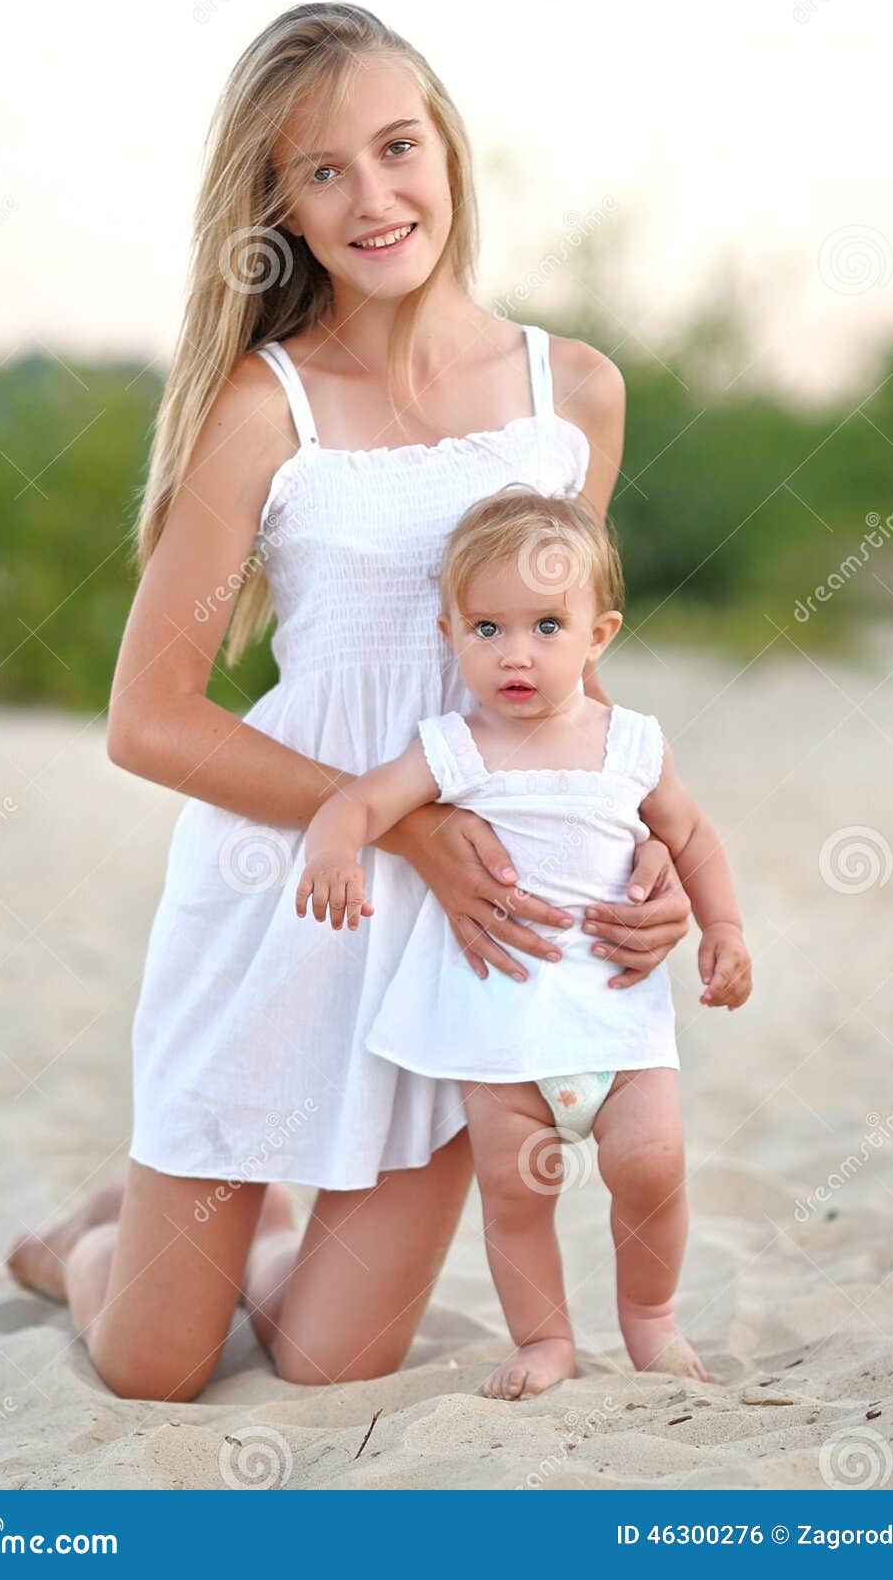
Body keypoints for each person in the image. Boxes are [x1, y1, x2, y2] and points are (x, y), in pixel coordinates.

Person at [7, 1, 692, 1403]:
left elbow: (552, 669)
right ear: (280, 207)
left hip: (461, 927)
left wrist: (654, 843)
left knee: (325, 1360)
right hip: (285, 884)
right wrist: (389, 826)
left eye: (396, 146)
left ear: (446, 147)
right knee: (152, 1364)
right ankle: (88, 1242)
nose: (373, 195)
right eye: (322, 170)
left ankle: (244, 1224)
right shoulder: (264, 407)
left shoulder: (574, 394)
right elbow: (149, 716)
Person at [296, 486, 752, 1399]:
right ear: (450, 634)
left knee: (650, 1163)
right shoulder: (454, 748)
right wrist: (334, 848)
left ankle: (649, 1317)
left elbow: (691, 835)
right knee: (513, 1189)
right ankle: (544, 1338)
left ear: (599, 634)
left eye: (547, 625)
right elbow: (359, 802)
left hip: (616, 1015)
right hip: (501, 1026)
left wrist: (723, 926)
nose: (517, 654)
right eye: (487, 629)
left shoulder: (629, 744)